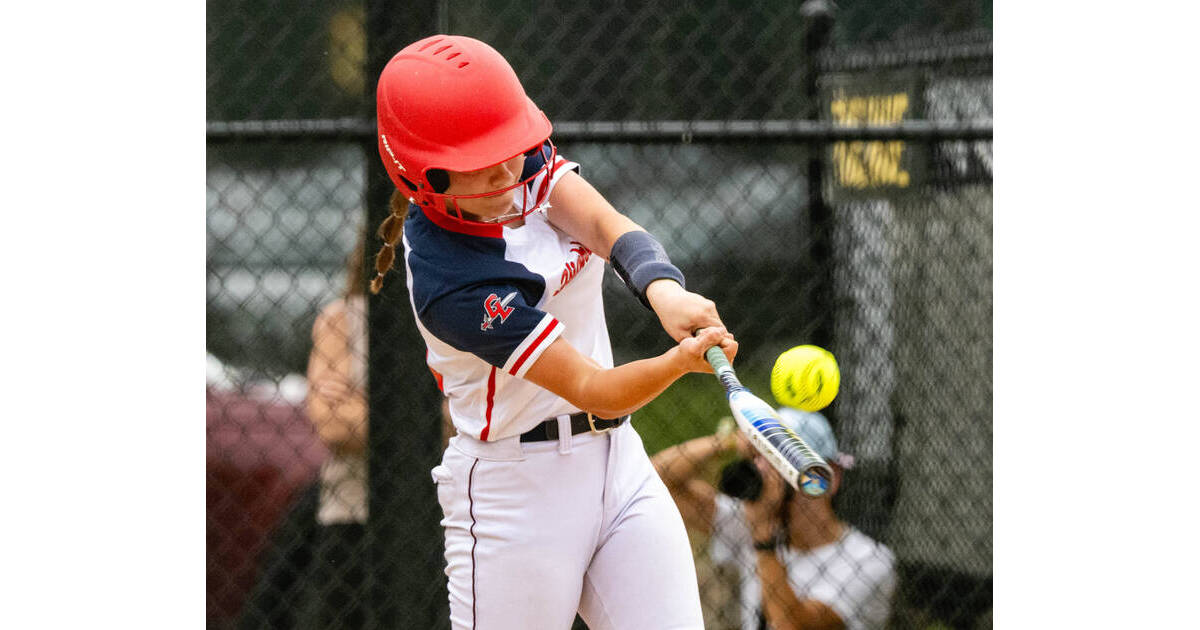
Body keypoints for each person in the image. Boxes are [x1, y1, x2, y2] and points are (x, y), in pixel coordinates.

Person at [369, 35, 738, 630]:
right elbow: (593, 387)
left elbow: (601, 222)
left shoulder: (518, 160)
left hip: (618, 466)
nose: (507, 168)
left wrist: (663, 290)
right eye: (479, 162)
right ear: (423, 175)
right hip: (516, 496)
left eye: (509, 147)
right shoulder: (452, 281)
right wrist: (678, 363)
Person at [653, 407, 896, 630]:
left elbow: (791, 625)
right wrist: (729, 443)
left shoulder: (869, 560)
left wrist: (764, 538)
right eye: (764, 461)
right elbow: (655, 483)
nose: (773, 476)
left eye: (785, 466)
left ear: (829, 478)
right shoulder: (751, 519)